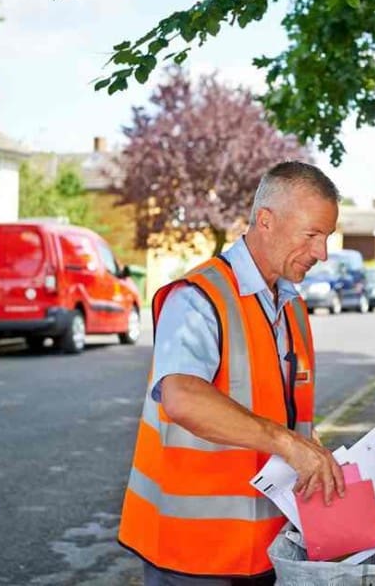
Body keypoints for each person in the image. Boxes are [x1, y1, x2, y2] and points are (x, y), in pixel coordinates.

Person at [119, 161, 347, 585]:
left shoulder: (291, 306)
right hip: (192, 555)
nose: (322, 253)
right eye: (312, 235)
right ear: (266, 221)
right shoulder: (197, 299)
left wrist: (309, 446)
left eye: (327, 237)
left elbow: (276, 406)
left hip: (267, 551)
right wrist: (288, 443)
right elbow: (182, 397)